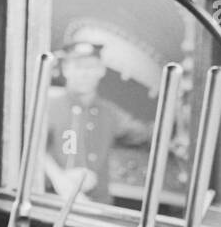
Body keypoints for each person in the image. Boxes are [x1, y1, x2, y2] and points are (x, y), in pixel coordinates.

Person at [45, 40, 154, 204]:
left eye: (91, 67)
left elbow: (143, 133)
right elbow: (32, 151)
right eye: (78, 67)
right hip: (54, 204)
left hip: (99, 205)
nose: (85, 74)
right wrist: (59, 178)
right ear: (66, 69)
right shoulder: (50, 106)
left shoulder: (110, 112)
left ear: (101, 70)